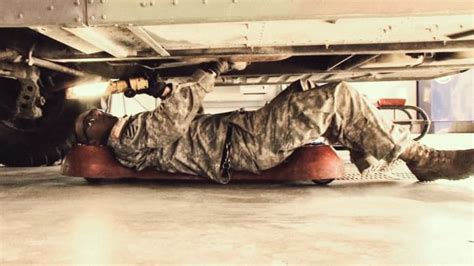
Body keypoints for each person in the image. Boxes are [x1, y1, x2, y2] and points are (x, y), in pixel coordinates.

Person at [75, 61, 473, 184]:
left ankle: (364, 146)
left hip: (243, 136)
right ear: (93, 140)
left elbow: (177, 117)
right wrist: (211, 71)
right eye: (86, 123)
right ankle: (420, 158)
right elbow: (180, 114)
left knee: (308, 91)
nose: (94, 115)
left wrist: (157, 88)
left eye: (92, 111)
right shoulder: (124, 138)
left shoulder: (134, 132)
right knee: (338, 95)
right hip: (247, 144)